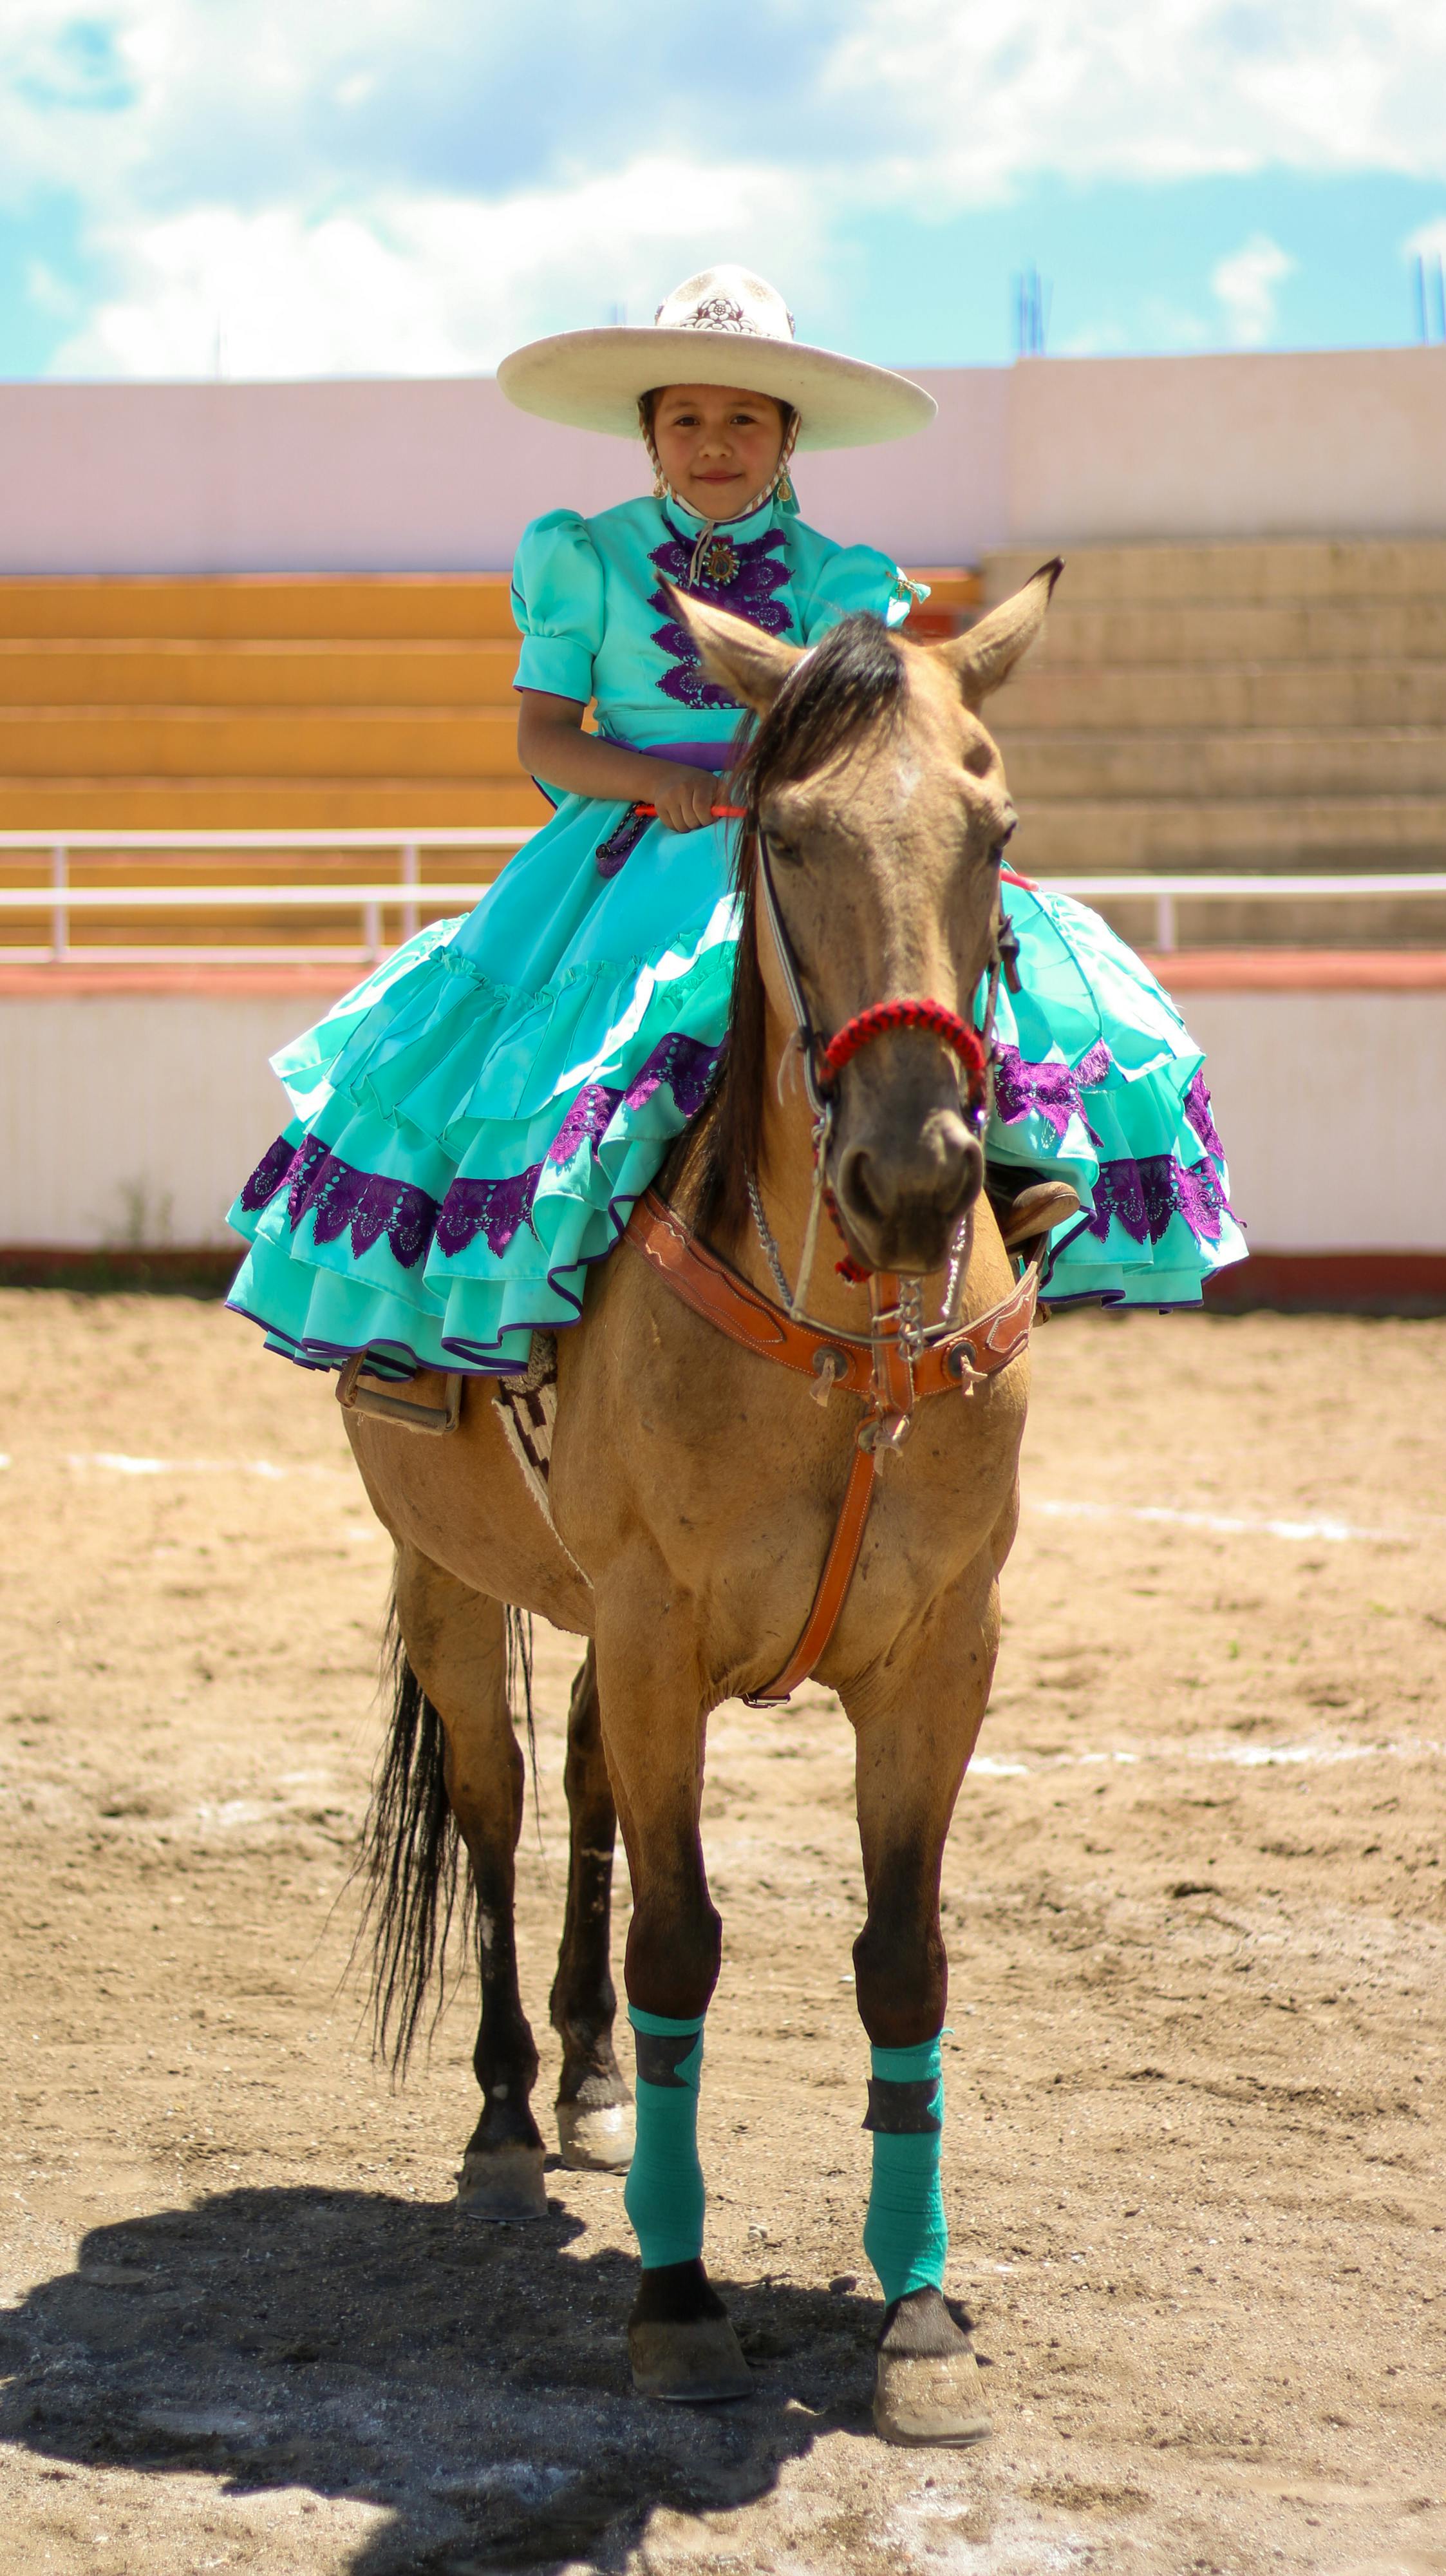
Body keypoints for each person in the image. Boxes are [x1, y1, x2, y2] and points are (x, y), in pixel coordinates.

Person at [227, 265, 1243, 1379]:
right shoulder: (583, 556)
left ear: (787, 435)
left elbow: (859, 733)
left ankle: (1005, 1187)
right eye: (687, 418)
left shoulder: (838, 575)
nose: (715, 442)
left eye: (744, 419)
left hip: (805, 831)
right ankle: (482, 1342)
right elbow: (544, 740)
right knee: (529, 1069)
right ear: (650, 433)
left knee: (977, 982)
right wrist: (643, 781)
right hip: (632, 852)